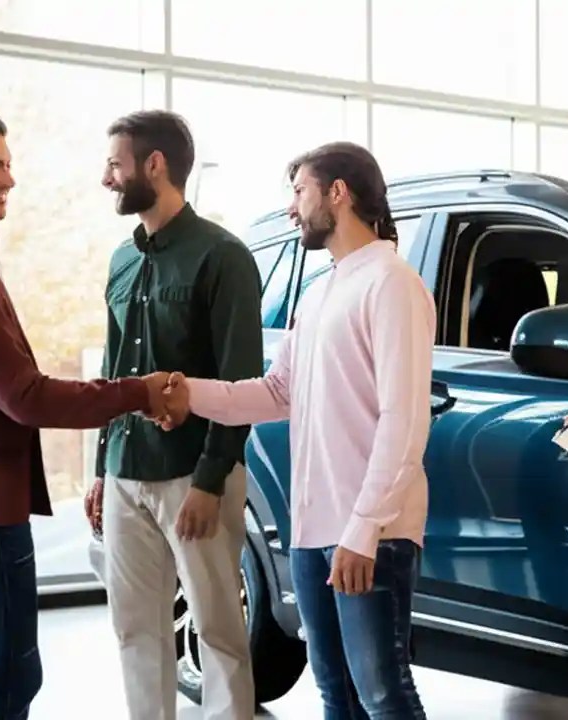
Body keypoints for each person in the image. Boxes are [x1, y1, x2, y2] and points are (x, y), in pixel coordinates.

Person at [0, 108, 178, 720]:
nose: (9, 179)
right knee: (8, 673)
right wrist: (139, 392)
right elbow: (24, 396)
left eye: (8, 163)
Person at [158, 141, 435, 719]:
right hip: (311, 531)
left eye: (299, 191)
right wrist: (190, 393)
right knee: (336, 693)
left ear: (338, 192)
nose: (292, 209)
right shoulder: (319, 293)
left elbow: (405, 418)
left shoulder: (392, 284)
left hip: (368, 532)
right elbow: (277, 393)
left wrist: (363, 530)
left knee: (383, 692)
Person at [85, 110, 262, 720]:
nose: (107, 178)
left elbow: (241, 381)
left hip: (195, 475)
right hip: (126, 472)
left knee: (217, 631)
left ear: (154, 164)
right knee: (136, 631)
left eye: (115, 163)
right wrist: (102, 469)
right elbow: (113, 372)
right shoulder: (119, 262)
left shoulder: (224, 256)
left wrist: (211, 480)